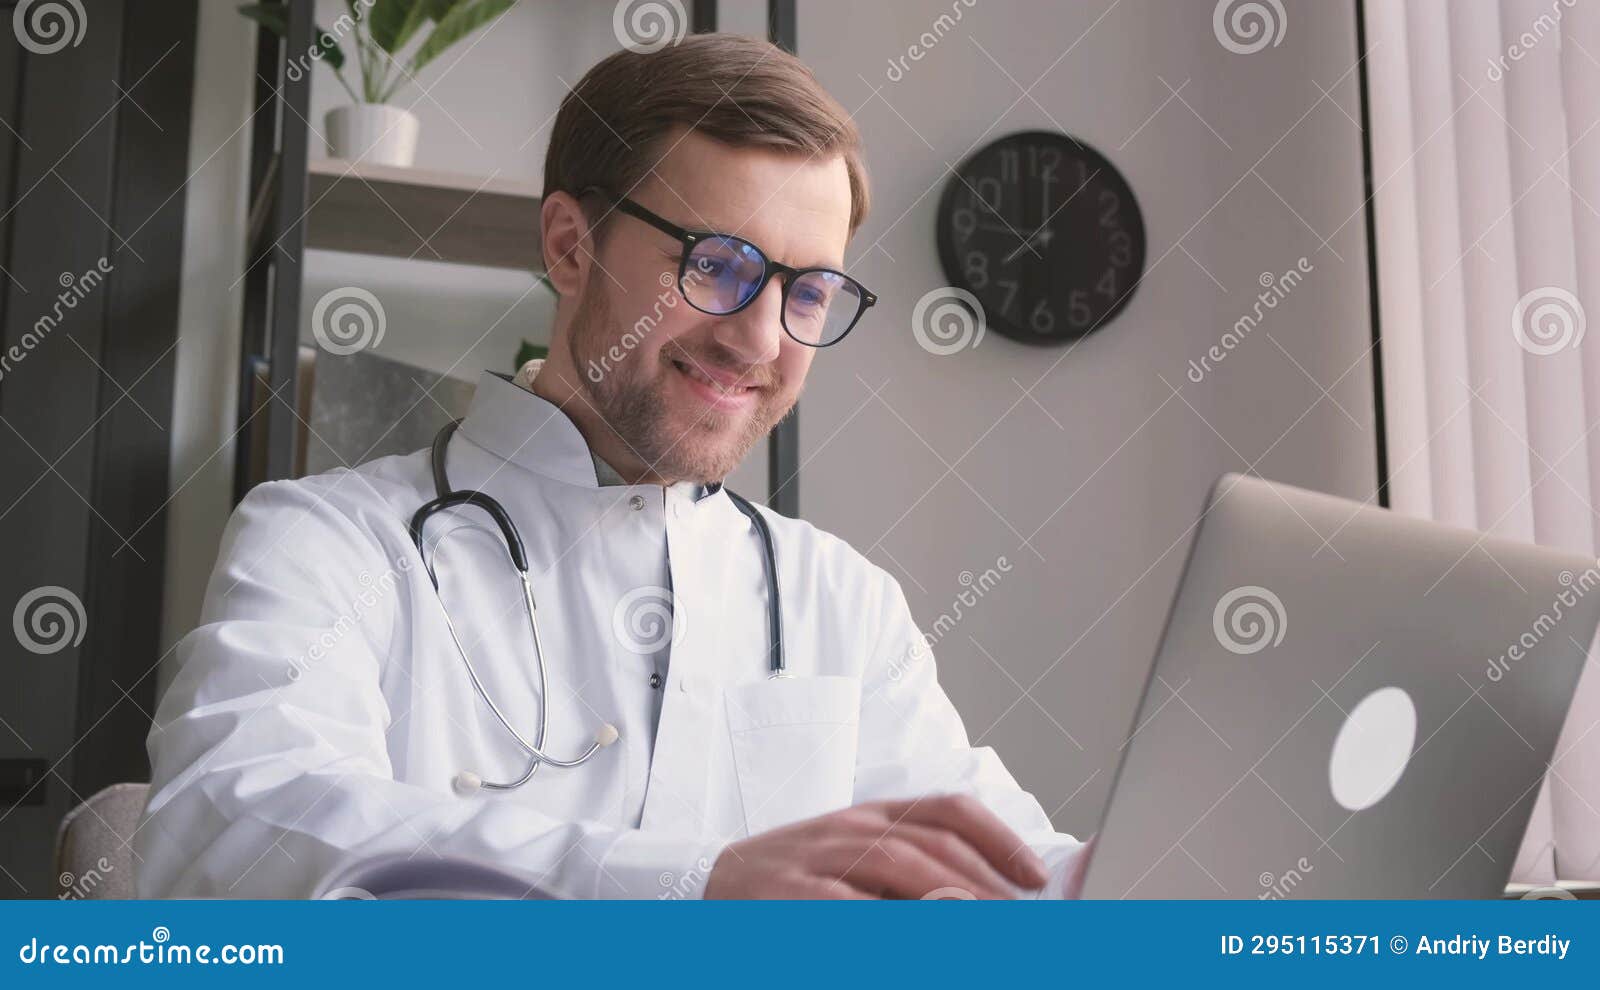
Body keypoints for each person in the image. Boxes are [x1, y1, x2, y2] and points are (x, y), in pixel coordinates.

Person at [136, 32, 1087, 900]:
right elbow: (223, 832)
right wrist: (691, 889)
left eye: (810, 290)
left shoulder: (841, 600)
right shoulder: (330, 541)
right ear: (569, 246)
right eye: (717, 264)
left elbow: (1017, 873)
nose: (759, 338)